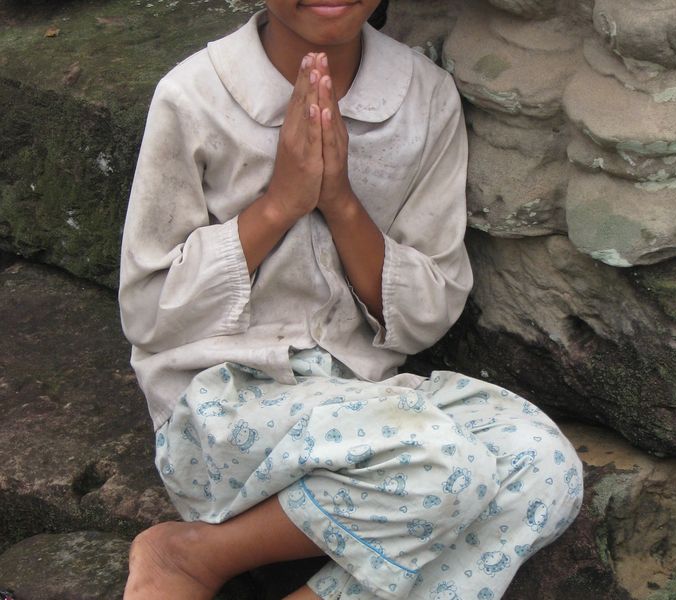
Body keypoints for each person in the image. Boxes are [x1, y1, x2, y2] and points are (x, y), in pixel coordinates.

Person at [119, 1, 583, 598]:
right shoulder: (194, 97)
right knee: (439, 466)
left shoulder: (424, 98)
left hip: (364, 409)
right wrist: (280, 203)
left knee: (541, 466)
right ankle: (193, 557)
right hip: (225, 412)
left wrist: (339, 201)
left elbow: (428, 313)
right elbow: (149, 312)